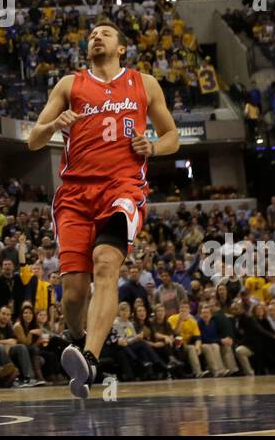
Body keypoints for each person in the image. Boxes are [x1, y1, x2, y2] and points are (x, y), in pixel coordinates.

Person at [27, 21, 179, 398]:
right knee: (74, 292)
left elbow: (172, 135)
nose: (96, 37)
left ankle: (91, 359)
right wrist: (53, 125)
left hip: (123, 188)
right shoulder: (69, 84)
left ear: (121, 48)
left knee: (107, 263)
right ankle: (77, 340)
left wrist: (153, 147)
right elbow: (33, 139)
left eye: (105, 33)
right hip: (75, 193)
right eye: (92, 34)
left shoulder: (145, 83)